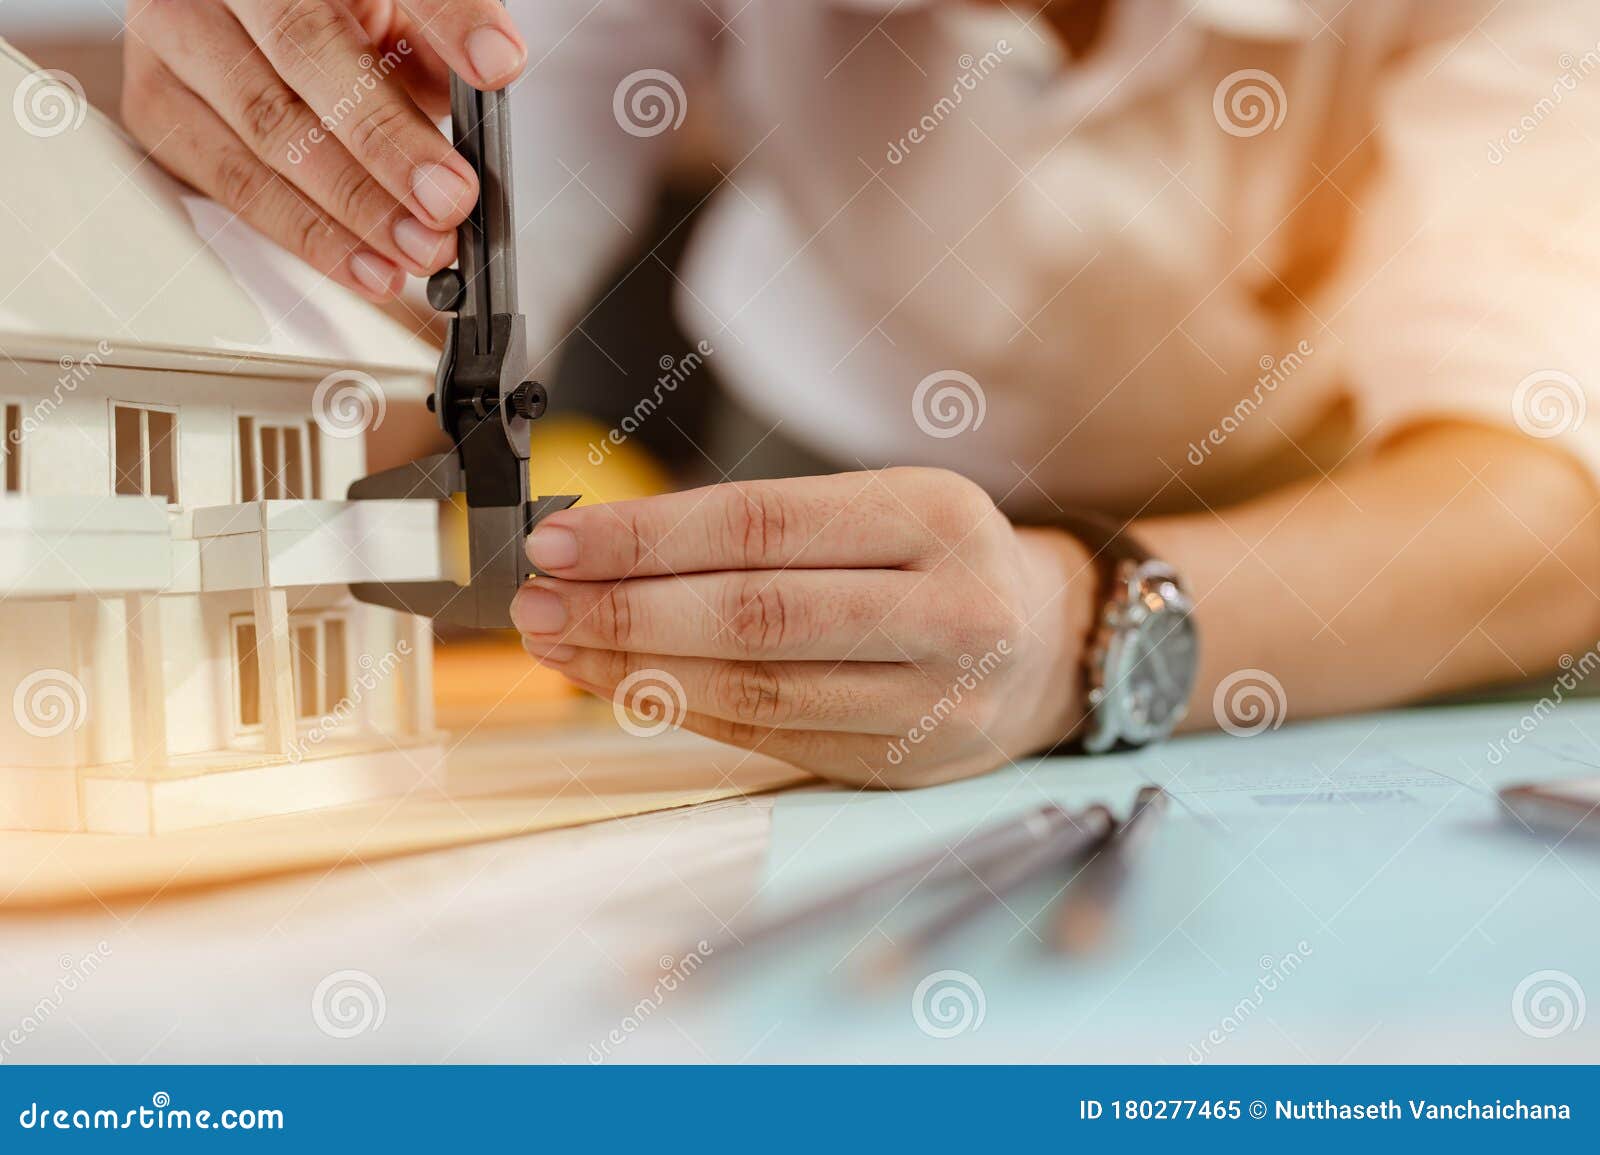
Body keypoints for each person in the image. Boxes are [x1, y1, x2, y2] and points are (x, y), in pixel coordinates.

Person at [121, 0, 1600, 786]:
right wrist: (257, 205)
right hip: (811, 473)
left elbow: (1538, 518)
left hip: (1328, 520)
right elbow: (388, 320)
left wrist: (1074, 640)